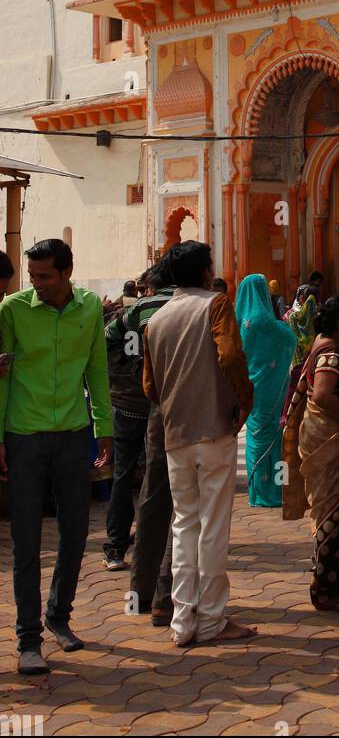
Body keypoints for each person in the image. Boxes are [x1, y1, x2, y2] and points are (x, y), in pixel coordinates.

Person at [0, 239, 113, 675]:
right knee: (26, 540)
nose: (37, 286)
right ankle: (28, 638)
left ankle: (58, 617)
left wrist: (103, 428)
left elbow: (97, 370)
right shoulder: (12, 310)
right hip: (23, 434)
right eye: (33, 277)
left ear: (67, 273)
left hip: (72, 432)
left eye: (45, 277)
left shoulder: (89, 310)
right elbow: (3, 379)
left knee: (77, 531)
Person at [142, 241, 256, 647]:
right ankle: (210, 619)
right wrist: (244, 400)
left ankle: (182, 621)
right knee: (212, 527)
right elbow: (229, 355)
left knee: (184, 523)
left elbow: (149, 385)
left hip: (176, 433)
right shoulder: (215, 305)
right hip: (213, 430)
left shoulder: (157, 319)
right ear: (207, 271)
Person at [281, 296, 339, 611]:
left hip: (323, 436)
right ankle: (326, 589)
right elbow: (321, 393)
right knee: (335, 512)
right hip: (328, 438)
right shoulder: (332, 350)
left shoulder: (327, 342)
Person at [102, 263, 167, 572]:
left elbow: (108, 338)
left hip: (128, 401)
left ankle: (115, 546)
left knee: (123, 473)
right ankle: (153, 544)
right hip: (159, 404)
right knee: (159, 473)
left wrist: (127, 370)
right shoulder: (177, 307)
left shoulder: (134, 312)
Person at [126, 260, 179, 627]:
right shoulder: (202, 307)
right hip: (190, 408)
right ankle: (168, 596)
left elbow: (115, 337)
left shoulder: (140, 311)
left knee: (154, 495)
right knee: (188, 507)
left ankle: (140, 594)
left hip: (157, 404)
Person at [235, 274, 296, 508]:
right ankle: (273, 490)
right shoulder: (264, 320)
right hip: (270, 384)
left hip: (250, 385)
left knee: (255, 435)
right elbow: (290, 340)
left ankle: (256, 491)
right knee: (273, 434)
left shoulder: (239, 319)